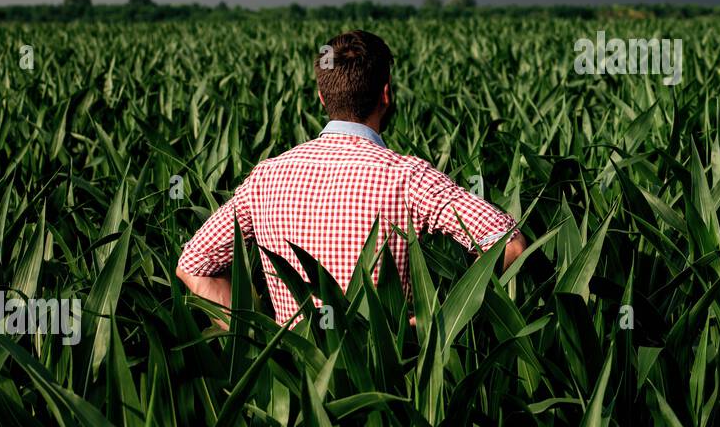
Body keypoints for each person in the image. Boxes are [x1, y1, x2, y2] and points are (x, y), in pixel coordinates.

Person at [175, 29, 525, 325]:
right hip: (392, 386)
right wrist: (446, 316)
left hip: (294, 389)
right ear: (385, 94)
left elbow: (192, 266)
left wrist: (254, 333)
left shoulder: (265, 177)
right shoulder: (409, 177)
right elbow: (508, 243)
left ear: (322, 96)